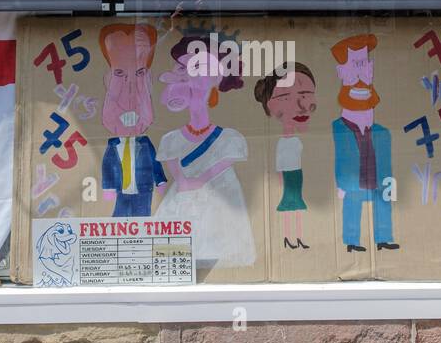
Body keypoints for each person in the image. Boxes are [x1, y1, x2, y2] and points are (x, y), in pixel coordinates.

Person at [155, 35, 255, 267]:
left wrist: (197, 181)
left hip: (220, 213)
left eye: (198, 67)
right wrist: (185, 182)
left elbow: (209, 176)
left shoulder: (229, 139)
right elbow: (180, 179)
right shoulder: (171, 140)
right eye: (182, 68)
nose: (188, 76)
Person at [330, 34, 399, 253]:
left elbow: (386, 159)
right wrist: (340, 183)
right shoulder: (339, 127)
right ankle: (351, 241)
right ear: (342, 73)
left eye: (364, 67)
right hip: (353, 177)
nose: (360, 78)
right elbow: (339, 154)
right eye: (354, 68)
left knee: (382, 202)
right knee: (352, 201)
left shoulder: (381, 132)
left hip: (378, 176)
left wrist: (390, 182)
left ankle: (383, 238)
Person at [98, 24, 167, 217]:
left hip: (143, 188)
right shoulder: (112, 145)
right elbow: (108, 165)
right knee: (120, 216)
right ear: (107, 78)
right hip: (121, 189)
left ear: (149, 80)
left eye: (139, 73)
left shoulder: (145, 143)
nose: (130, 89)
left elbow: (155, 162)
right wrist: (109, 187)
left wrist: (160, 180)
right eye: (119, 73)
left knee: (142, 215)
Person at [254, 63, 317, 250]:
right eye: (286, 97)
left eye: (306, 94)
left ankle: (297, 237)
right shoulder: (283, 141)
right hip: (289, 176)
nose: (300, 104)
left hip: (296, 175)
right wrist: (281, 179)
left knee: (297, 207)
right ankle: (289, 237)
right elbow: (280, 163)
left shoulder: (296, 140)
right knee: (289, 208)